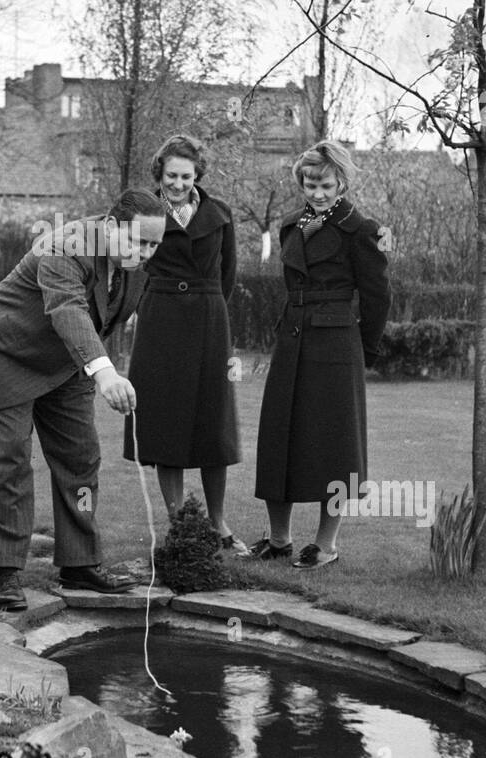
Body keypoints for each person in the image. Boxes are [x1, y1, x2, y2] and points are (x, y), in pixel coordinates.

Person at [0, 188, 167, 611]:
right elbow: (69, 310)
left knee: (80, 455)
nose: (146, 252)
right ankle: (6, 573)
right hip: (5, 352)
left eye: (153, 244)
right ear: (110, 228)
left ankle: (79, 564)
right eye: (139, 241)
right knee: (8, 459)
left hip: (65, 362)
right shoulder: (66, 246)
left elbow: (105, 315)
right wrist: (105, 370)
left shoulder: (132, 263)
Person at [252, 140, 391, 568]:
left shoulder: (362, 230)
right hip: (292, 341)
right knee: (280, 437)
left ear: (342, 183)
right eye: (309, 183)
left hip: (336, 346)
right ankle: (279, 539)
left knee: (334, 445)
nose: (316, 192)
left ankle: (325, 544)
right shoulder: (291, 226)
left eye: (325, 184)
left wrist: (362, 350)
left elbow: (377, 296)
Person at [123, 133, 245, 552]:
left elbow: (227, 275)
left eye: (185, 176)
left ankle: (219, 524)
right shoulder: (143, 213)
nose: (177, 183)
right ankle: (179, 527)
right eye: (171, 175)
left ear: (197, 175)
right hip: (160, 321)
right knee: (165, 424)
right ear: (160, 173)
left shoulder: (221, 214)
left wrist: (208, 307)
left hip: (210, 321)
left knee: (214, 424)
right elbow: (128, 266)